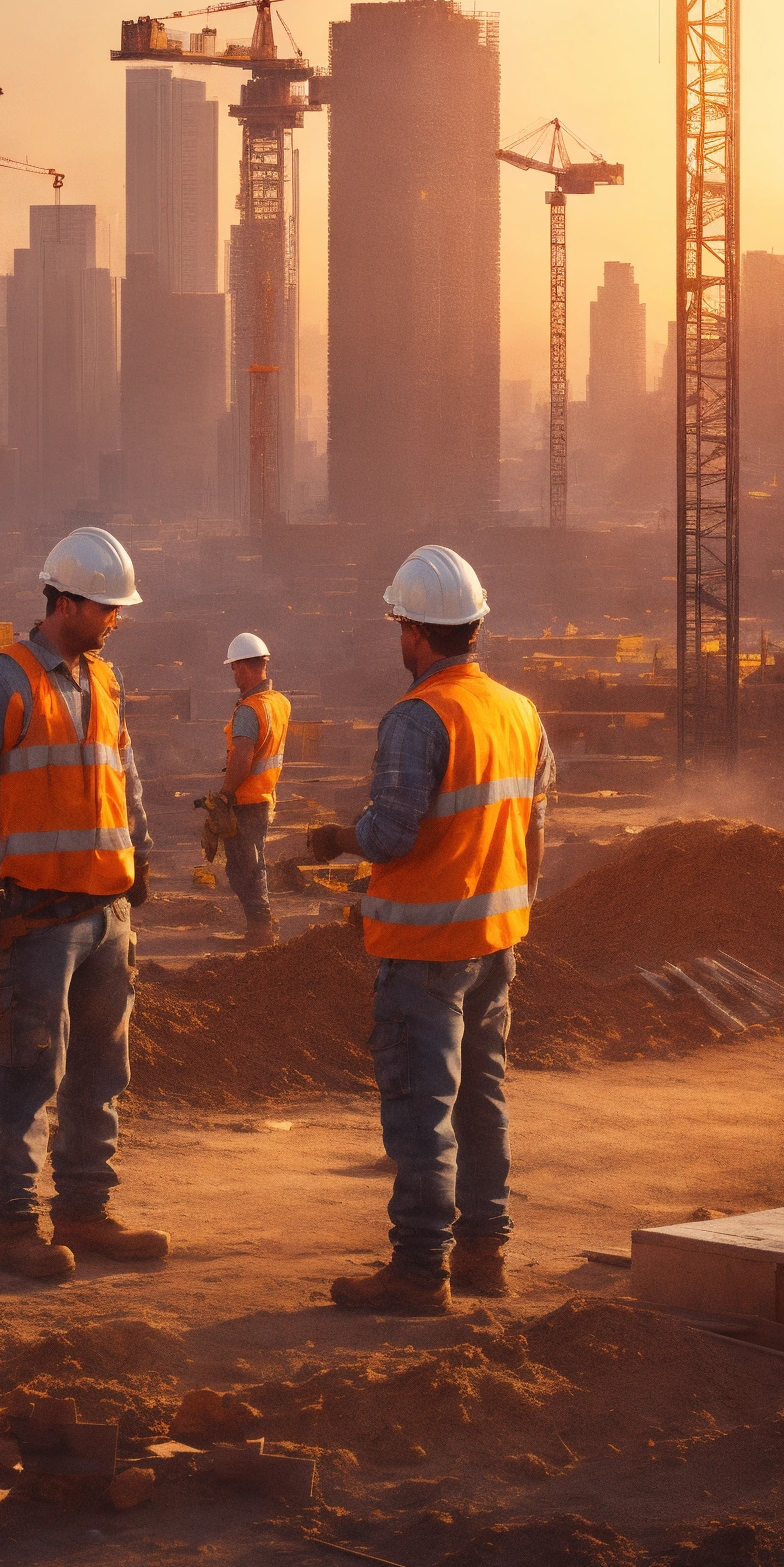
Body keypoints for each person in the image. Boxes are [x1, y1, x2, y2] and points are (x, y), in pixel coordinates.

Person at [307, 544, 554, 1316]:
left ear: (415, 631)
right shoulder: (518, 710)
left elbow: (393, 835)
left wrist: (339, 837)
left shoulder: (419, 718)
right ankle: (484, 1251)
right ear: (474, 624)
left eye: (400, 626)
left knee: (422, 1108)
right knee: (482, 1100)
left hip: (424, 951)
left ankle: (419, 1269)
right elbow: (534, 824)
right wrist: (514, 911)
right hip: (494, 941)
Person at [0, 527, 168, 1282]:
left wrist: (138, 852)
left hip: (106, 911)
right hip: (38, 913)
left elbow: (122, 773)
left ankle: (85, 1209)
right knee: (29, 1069)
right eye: (106, 607)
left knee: (101, 1071)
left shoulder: (104, 680)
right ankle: (14, 1225)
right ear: (64, 601)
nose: (116, 619)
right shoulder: (7, 680)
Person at [214, 631, 291, 949]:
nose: (233, 674)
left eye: (234, 668)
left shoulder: (249, 709)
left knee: (245, 867)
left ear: (245, 667)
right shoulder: (279, 702)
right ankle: (259, 929)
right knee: (252, 862)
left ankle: (260, 932)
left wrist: (225, 795)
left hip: (246, 801)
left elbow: (243, 756)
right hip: (265, 796)